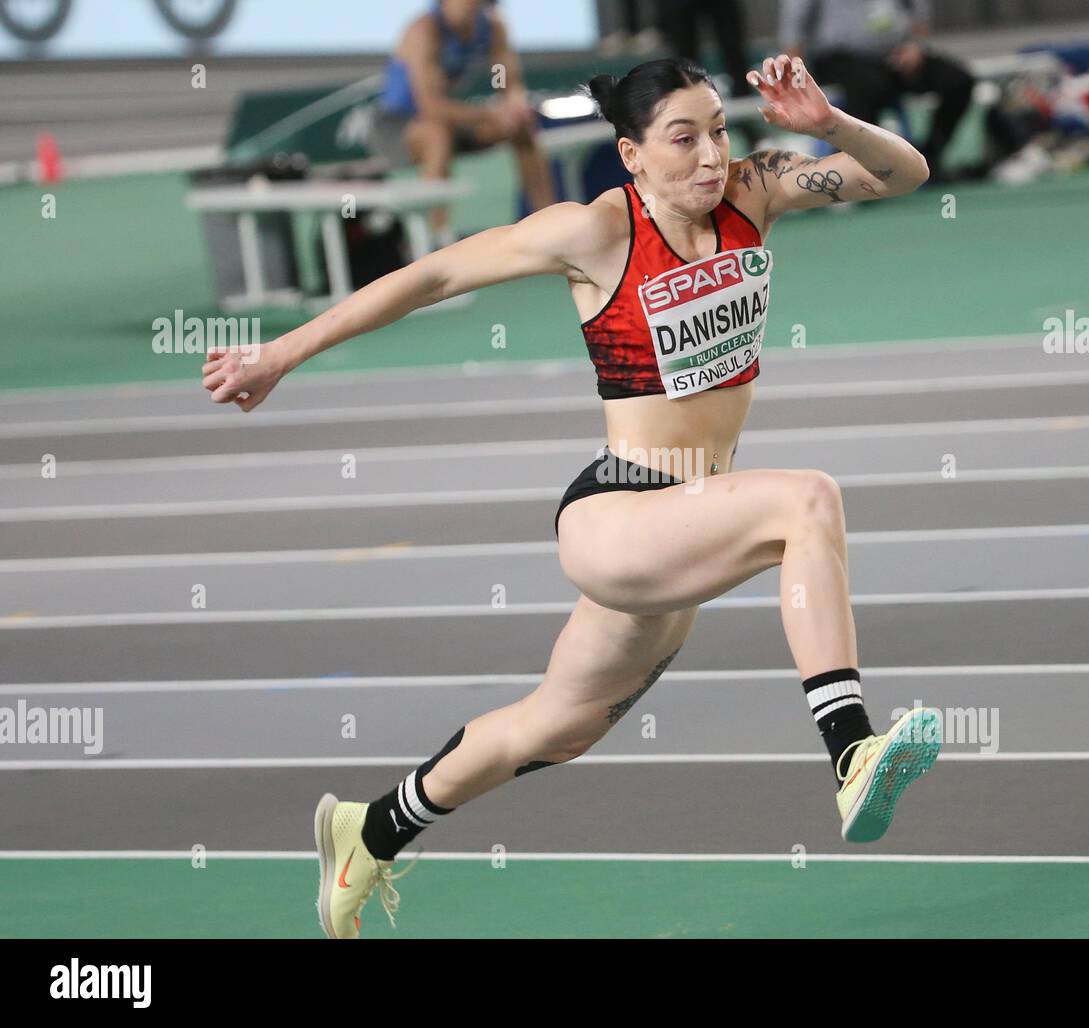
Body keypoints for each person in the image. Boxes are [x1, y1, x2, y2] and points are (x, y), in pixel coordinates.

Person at [202, 54, 941, 939]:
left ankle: (369, 830)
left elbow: (907, 173)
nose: (710, 156)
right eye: (682, 139)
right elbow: (430, 277)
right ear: (631, 155)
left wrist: (826, 123)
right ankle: (853, 749)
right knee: (806, 500)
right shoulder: (593, 232)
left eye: (718, 129)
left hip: (690, 525)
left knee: (554, 729)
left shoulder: (758, 191)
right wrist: (278, 354)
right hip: (619, 514)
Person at [372, 0, 555, 247]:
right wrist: (492, 114)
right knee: (436, 135)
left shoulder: (492, 27)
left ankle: (550, 224)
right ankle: (433, 244)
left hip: (449, 123)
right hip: (398, 126)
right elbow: (431, 107)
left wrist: (513, 107)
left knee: (521, 127)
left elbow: (505, 80)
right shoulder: (424, 30)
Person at [780, 0, 974, 181]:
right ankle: (846, 173)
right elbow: (794, 25)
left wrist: (915, 46)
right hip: (840, 58)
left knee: (958, 81)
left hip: (897, 55)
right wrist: (798, 79)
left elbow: (917, 11)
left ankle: (927, 161)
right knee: (870, 86)